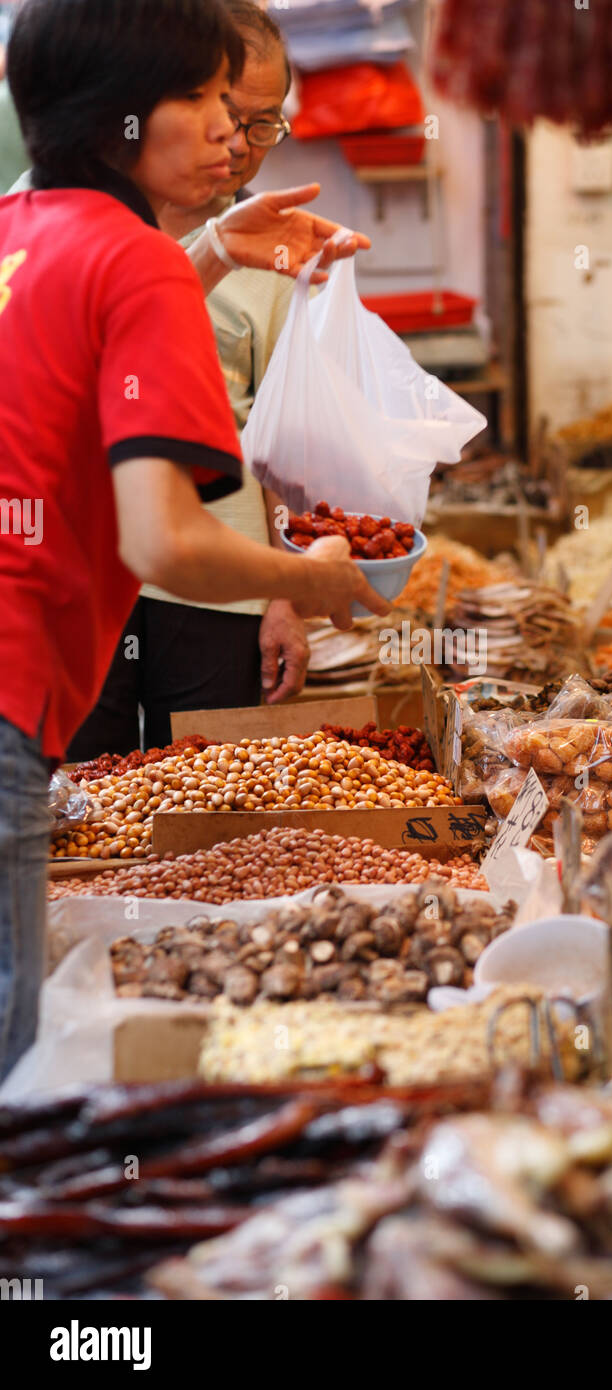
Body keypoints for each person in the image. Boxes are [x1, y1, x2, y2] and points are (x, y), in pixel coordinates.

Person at [0, 0, 388, 1079]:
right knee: (16, 1063)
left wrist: (209, 249)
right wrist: (310, 579)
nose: (233, 130)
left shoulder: (19, 227)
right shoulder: (137, 263)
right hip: (14, 680)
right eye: (208, 100)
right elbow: (165, 542)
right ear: (117, 115)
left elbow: (90, 359)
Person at [67, 1, 311, 759]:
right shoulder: (56, 219)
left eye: (264, 123)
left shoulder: (276, 244)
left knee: (207, 803)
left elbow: (286, 445)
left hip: (218, 579)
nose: (238, 145)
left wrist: (286, 591)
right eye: (224, 114)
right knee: (81, 809)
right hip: (80, 573)